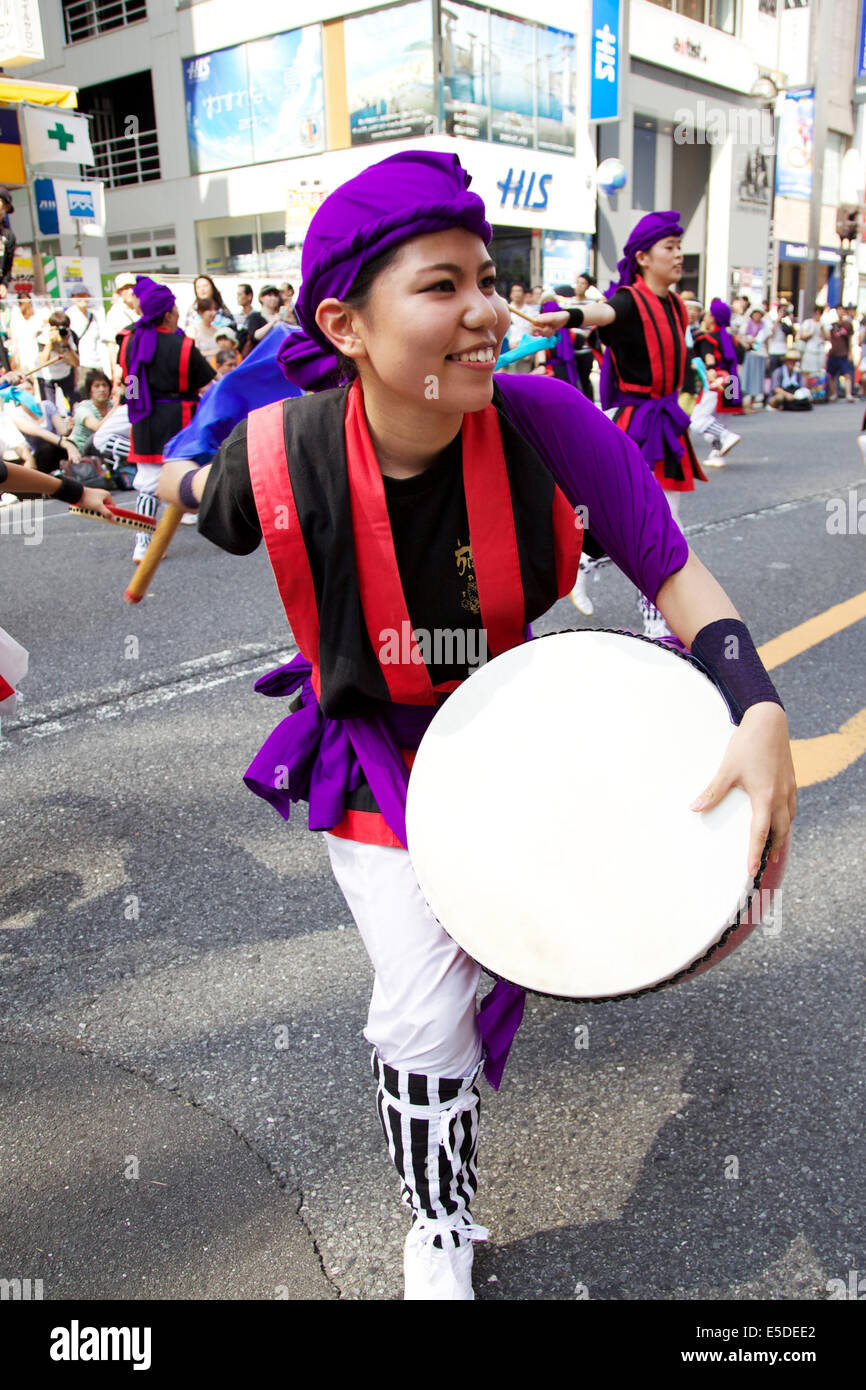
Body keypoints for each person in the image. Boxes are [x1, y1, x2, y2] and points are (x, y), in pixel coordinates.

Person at [156, 151, 796, 1301]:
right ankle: (439, 1222)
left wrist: (756, 707)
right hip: (374, 751)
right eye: (441, 286)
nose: (484, 310)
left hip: (524, 736)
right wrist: (153, 474)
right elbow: (188, 499)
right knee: (420, 1003)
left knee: (531, 938)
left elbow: (673, 574)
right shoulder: (279, 454)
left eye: (485, 279)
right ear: (345, 324)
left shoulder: (548, 421)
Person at [534, 210, 707, 638]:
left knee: (656, 522)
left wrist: (685, 404)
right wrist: (568, 318)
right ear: (644, 257)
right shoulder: (630, 300)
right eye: (670, 247)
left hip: (669, 421)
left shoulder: (677, 307)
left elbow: (685, 367)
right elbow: (604, 313)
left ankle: (588, 562)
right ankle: (655, 623)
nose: (679, 255)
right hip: (638, 423)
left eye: (680, 247)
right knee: (658, 524)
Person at [118, 276, 215, 562]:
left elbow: (129, 381)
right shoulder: (182, 345)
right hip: (178, 418)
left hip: (144, 416)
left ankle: (143, 543)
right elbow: (207, 383)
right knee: (188, 470)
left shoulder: (129, 341)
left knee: (147, 482)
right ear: (169, 313)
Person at [65, 284, 108, 385]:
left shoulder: (94, 316)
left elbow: (100, 342)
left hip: (97, 364)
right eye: (78, 296)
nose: (82, 299)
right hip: (81, 365)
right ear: (72, 298)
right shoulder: (69, 316)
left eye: (84, 295)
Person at [36, 310, 80, 408]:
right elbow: (42, 362)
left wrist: (66, 345)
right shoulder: (42, 336)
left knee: (75, 405)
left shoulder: (70, 336)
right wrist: (50, 342)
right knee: (49, 408)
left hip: (66, 373)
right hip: (47, 376)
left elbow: (76, 363)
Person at [104, 274, 140, 382]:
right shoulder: (114, 313)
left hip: (144, 362)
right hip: (127, 365)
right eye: (126, 288)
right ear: (119, 292)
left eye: (132, 287)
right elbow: (111, 343)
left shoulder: (143, 307)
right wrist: (115, 369)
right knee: (132, 395)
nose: (130, 291)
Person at [740, 306, 771, 412]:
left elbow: (767, 342)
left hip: (760, 354)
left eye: (759, 314)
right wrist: (747, 342)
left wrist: (768, 356)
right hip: (748, 354)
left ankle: (751, 403)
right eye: (755, 313)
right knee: (745, 378)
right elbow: (739, 338)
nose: (757, 316)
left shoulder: (764, 327)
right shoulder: (746, 325)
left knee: (757, 379)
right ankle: (742, 402)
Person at [825, 307, 856, 402]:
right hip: (833, 352)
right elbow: (828, 337)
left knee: (846, 374)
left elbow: (850, 339)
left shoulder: (847, 324)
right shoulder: (832, 325)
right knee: (831, 375)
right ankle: (834, 394)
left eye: (841, 310)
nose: (840, 312)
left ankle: (848, 394)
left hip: (843, 352)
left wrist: (851, 352)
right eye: (838, 310)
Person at [243, 285, 282, 351]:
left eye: (275, 295)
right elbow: (256, 336)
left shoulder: (281, 316)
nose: (273, 298)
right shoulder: (255, 316)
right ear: (261, 298)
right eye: (269, 295)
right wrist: (273, 322)